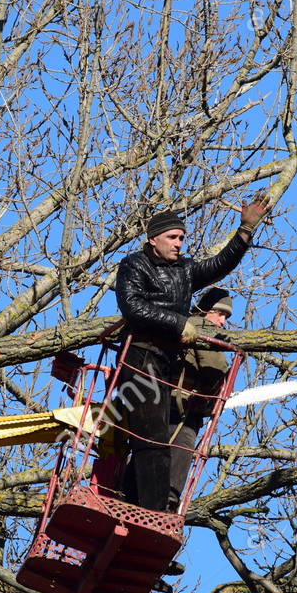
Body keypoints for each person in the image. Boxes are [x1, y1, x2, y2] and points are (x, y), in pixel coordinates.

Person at [113, 195, 268, 514]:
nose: (179, 243)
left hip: (167, 362)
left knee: (163, 438)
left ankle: (130, 503)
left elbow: (219, 264)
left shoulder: (184, 270)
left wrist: (245, 230)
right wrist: (177, 322)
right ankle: (152, 517)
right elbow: (132, 306)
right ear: (153, 239)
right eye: (172, 237)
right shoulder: (134, 265)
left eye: (182, 238)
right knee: (151, 438)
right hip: (141, 357)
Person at [167, 287, 233, 512]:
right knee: (182, 446)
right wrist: (211, 390)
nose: (222, 322)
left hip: (158, 401)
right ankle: (167, 500)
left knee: (148, 449)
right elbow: (214, 367)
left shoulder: (177, 324)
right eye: (220, 314)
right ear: (206, 310)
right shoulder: (201, 325)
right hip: (181, 406)